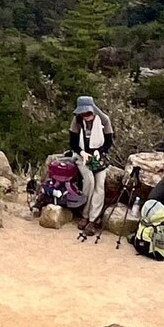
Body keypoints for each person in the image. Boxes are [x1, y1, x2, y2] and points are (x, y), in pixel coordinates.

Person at [68, 95, 114, 229]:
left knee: (99, 185)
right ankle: (85, 215)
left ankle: (94, 219)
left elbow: (109, 141)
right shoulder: (76, 121)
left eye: (88, 113)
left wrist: (100, 151)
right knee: (89, 182)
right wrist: (82, 153)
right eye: (83, 113)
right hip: (82, 155)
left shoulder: (104, 120)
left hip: (99, 156)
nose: (86, 116)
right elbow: (73, 142)